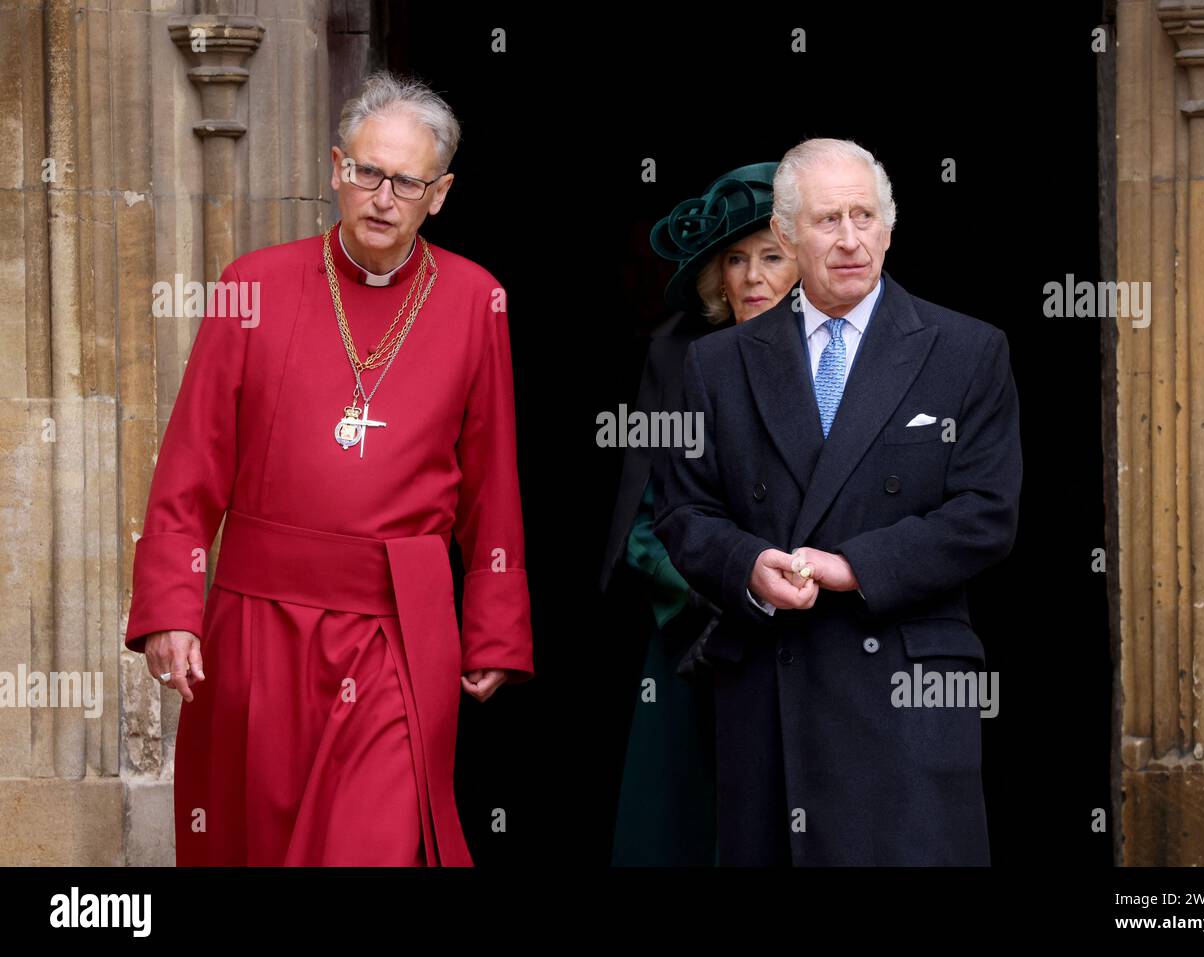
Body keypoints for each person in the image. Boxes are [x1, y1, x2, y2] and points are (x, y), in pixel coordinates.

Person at [123, 71, 533, 866]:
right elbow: (192, 462)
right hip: (259, 626)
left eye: (407, 182)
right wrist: (173, 604)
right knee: (257, 839)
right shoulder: (252, 285)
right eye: (367, 171)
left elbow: (492, 481)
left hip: (396, 632)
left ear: (440, 195)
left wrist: (494, 623)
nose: (383, 197)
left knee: (370, 842)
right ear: (337, 168)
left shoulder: (475, 300)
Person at [654, 138, 1022, 866]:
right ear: (787, 233)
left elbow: (986, 513)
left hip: (909, 697)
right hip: (771, 689)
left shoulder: (967, 349)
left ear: (889, 227)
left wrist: (853, 565)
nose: (850, 239)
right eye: (828, 220)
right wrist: (748, 564)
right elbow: (683, 511)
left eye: (865, 216)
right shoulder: (719, 363)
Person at [602, 163, 798, 865]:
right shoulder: (680, 357)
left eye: (771, 256)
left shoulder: (846, 359)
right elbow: (644, 526)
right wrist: (727, 590)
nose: (752, 277)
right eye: (735, 260)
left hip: (815, 636)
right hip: (699, 637)